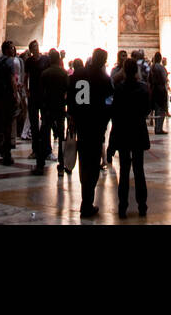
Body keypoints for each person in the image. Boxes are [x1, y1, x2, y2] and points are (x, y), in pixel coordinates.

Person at [70, 47, 113, 218]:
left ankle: (85, 199)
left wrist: (72, 118)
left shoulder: (78, 73)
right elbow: (110, 102)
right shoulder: (103, 78)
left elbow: (71, 98)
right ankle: (87, 202)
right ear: (103, 61)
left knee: (83, 163)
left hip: (81, 124)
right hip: (95, 126)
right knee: (94, 165)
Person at [111, 56, 150, 218]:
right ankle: (142, 206)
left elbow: (115, 113)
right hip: (138, 132)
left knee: (124, 170)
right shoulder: (143, 88)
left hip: (124, 133)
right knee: (139, 170)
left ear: (124, 71)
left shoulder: (119, 89)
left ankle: (122, 207)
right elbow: (147, 110)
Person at [0, 41, 18, 166]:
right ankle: (6, 155)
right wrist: (16, 96)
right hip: (7, 97)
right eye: (11, 48)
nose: (13, 50)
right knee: (7, 127)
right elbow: (12, 80)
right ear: (7, 49)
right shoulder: (10, 62)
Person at [40, 49, 68, 174]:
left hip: (47, 107)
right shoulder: (63, 73)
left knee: (44, 133)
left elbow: (41, 91)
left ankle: (40, 163)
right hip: (60, 107)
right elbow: (68, 91)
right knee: (61, 136)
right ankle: (62, 165)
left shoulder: (45, 73)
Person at [24, 40, 49, 172]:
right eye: (34, 47)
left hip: (43, 95)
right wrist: (26, 90)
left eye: (37, 46)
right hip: (33, 95)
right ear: (31, 49)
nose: (36, 48)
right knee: (34, 124)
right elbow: (25, 76)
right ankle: (35, 150)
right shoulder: (28, 61)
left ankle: (46, 150)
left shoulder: (46, 59)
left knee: (45, 124)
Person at [149, 52, 168, 135]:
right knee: (161, 109)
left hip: (154, 90)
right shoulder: (160, 67)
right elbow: (164, 78)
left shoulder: (152, 67)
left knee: (156, 109)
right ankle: (159, 128)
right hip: (160, 89)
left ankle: (157, 127)